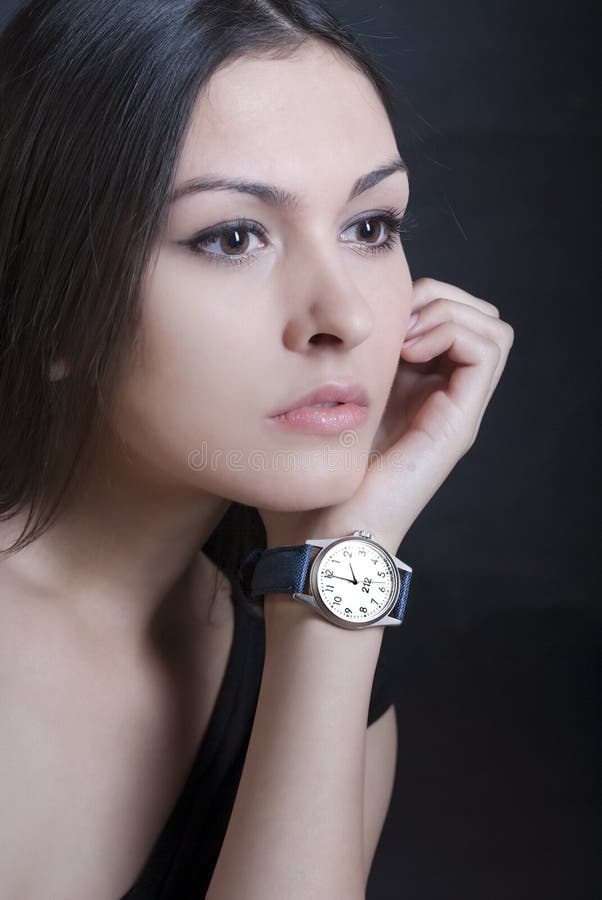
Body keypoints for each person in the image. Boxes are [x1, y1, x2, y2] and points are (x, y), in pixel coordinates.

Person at [0, 0, 514, 897]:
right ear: (52, 297)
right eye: (233, 237)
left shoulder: (325, 666)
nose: (346, 317)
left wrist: (338, 570)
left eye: (370, 227)